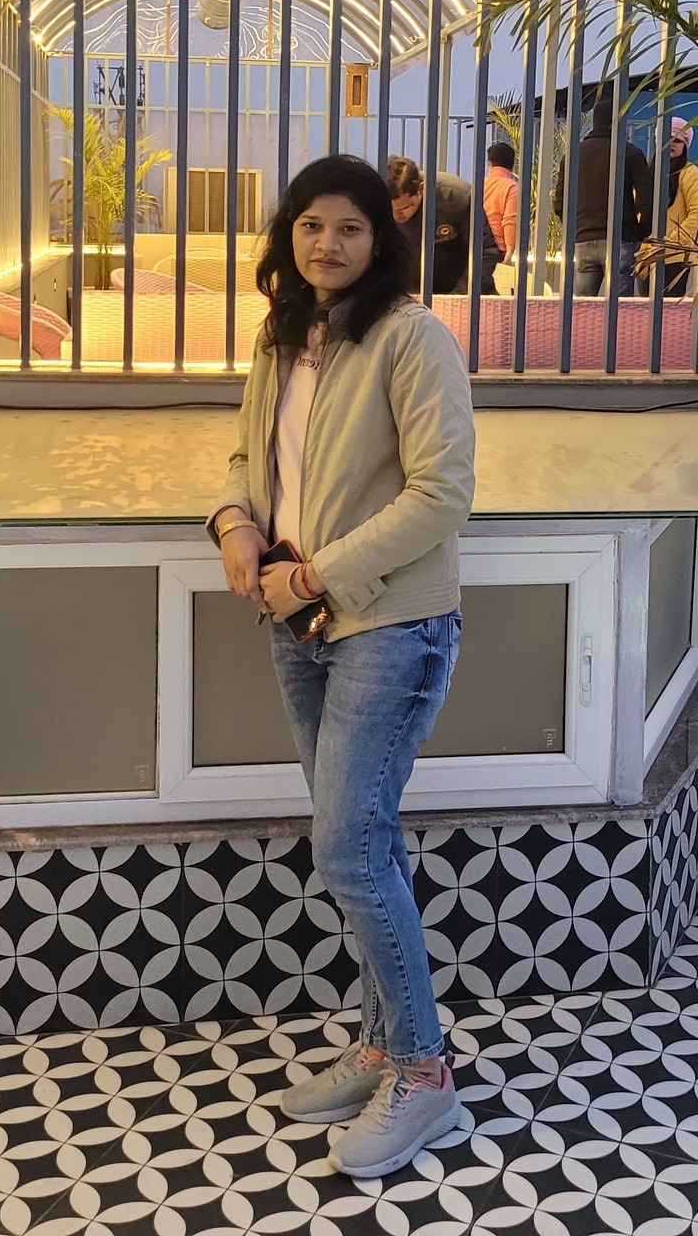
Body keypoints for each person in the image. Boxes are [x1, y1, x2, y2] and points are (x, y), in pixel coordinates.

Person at [210, 153, 475, 1179]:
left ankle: (423, 1069)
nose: (328, 243)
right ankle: (379, 1043)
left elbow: (441, 494)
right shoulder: (285, 337)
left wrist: (315, 574)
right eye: (311, 225)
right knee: (362, 840)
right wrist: (233, 522)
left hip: (390, 625)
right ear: (290, 235)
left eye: (350, 227)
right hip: (299, 624)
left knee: (350, 848)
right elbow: (249, 458)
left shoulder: (412, 338)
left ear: (382, 237)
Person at [553, 92, 652, 296]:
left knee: (583, 307)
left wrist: (576, 228)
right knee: (619, 308)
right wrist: (641, 232)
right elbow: (647, 200)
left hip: (584, 238)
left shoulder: (573, 155)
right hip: (621, 238)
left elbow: (560, 202)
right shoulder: (630, 153)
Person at [385, 155, 499, 294]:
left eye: (404, 208)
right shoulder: (375, 203)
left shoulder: (458, 197)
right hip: (410, 295)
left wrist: (460, 295)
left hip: (466, 292)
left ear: (421, 189)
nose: (396, 216)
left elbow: (486, 251)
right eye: (390, 210)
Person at [636, 117, 698, 296]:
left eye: (678, 140)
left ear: (685, 146)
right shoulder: (646, 173)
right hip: (646, 256)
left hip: (675, 257)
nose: (671, 144)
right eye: (667, 139)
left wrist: (668, 243)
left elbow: (696, 215)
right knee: (646, 309)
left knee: (669, 310)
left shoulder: (691, 174)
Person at [481, 141, 521, 263]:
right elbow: (510, 219)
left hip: (476, 243)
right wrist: (510, 249)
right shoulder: (511, 187)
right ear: (512, 165)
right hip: (496, 248)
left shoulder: (480, 184)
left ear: (490, 163)